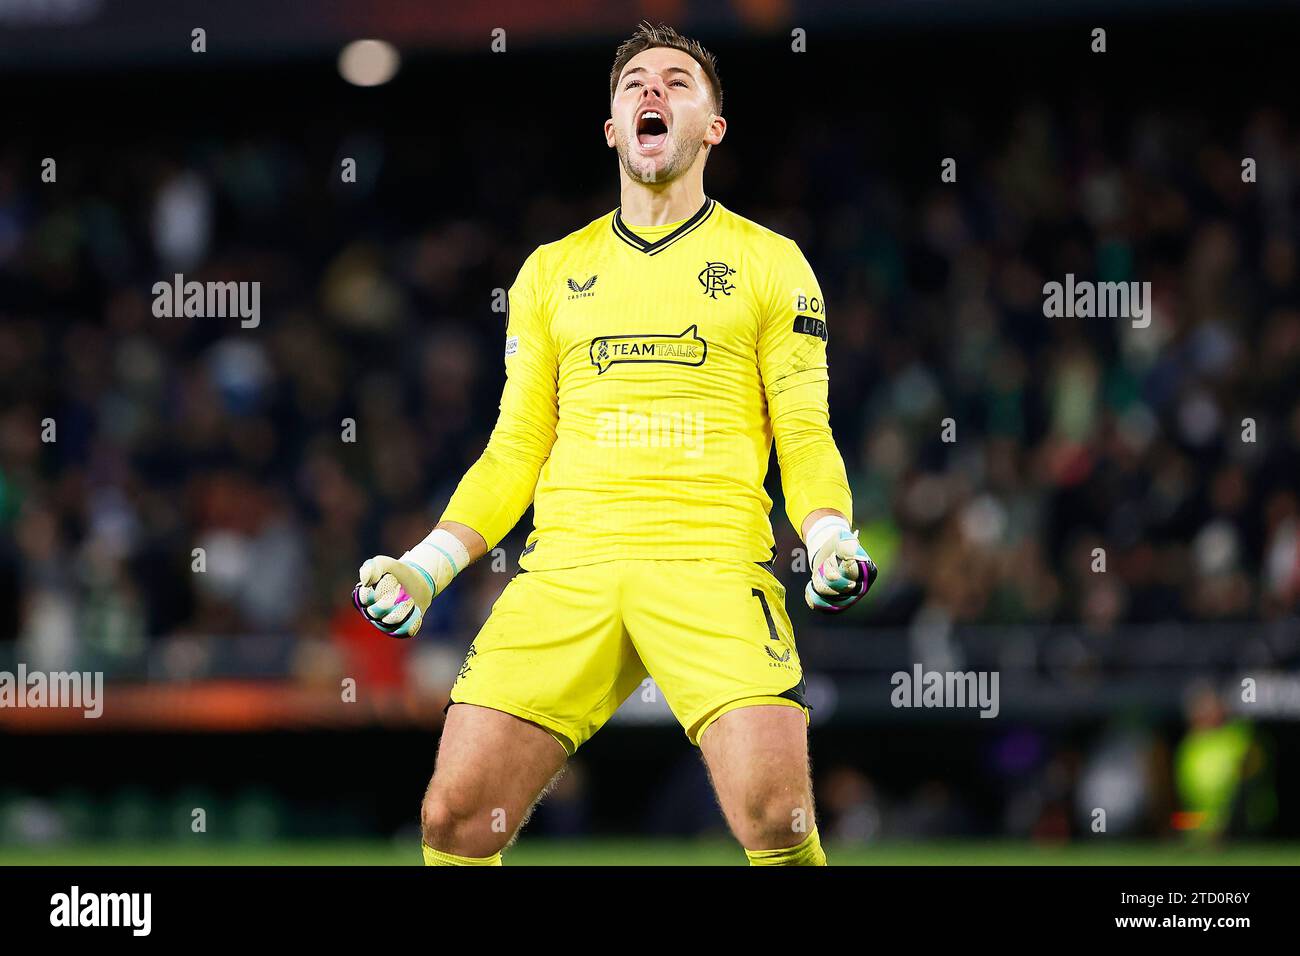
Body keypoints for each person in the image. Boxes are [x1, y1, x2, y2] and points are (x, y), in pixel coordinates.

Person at [353, 22, 876, 866]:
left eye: (677, 81)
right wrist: (425, 567)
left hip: (709, 564)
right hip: (568, 572)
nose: (652, 92)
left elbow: (804, 432)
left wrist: (827, 536)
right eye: (634, 82)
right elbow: (515, 447)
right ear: (611, 128)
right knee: (453, 816)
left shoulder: (773, 264)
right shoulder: (550, 272)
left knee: (777, 818)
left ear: (713, 127)